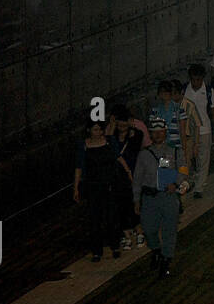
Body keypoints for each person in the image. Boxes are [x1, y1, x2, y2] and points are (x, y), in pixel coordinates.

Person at [134, 115, 187, 278]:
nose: (157, 135)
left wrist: (176, 183)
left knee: (169, 231)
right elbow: (137, 178)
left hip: (168, 196)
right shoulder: (144, 154)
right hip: (149, 197)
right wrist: (136, 199)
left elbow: (183, 171)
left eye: (160, 132)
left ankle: (166, 260)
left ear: (166, 133)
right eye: (154, 132)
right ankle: (156, 250)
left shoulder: (175, 152)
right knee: (149, 229)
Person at [72, 120, 123, 262]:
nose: (98, 132)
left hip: (109, 184)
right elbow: (79, 167)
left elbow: (117, 158)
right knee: (95, 219)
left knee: (111, 216)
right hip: (93, 186)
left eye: (100, 129)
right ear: (89, 130)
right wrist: (76, 187)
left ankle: (115, 246)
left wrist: (127, 172)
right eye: (95, 129)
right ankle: (96, 250)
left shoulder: (108, 141)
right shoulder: (83, 146)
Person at [107, 104, 146, 249]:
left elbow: (136, 148)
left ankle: (139, 229)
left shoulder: (136, 135)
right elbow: (108, 146)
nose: (121, 125)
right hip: (118, 176)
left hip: (134, 173)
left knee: (135, 202)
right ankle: (127, 232)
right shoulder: (112, 137)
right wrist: (111, 127)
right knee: (121, 204)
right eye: (119, 122)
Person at [179, 72, 214, 198]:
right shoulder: (184, 90)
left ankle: (199, 187)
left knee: (203, 159)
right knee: (187, 159)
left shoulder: (209, 90)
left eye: (199, 79)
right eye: (194, 79)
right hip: (188, 132)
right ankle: (188, 182)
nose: (196, 83)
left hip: (205, 130)